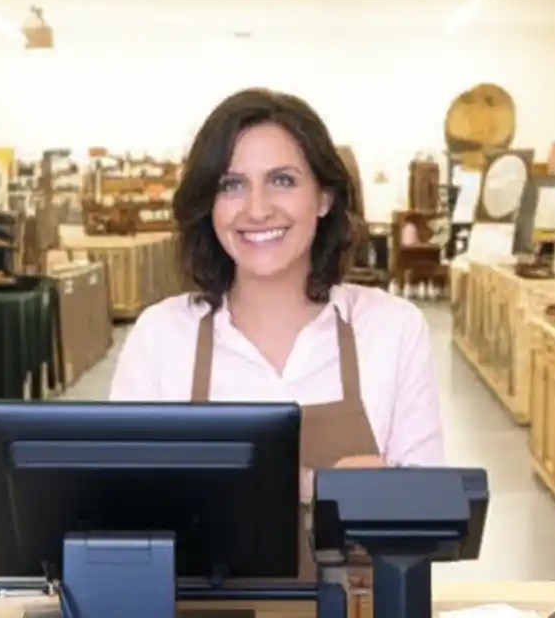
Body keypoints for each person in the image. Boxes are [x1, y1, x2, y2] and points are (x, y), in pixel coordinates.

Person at [110, 87, 446, 500]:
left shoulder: (392, 329)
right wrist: (321, 487)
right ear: (208, 205)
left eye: (282, 180)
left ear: (324, 197)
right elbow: (125, 508)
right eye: (231, 185)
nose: (257, 208)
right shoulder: (161, 336)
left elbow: (430, 514)